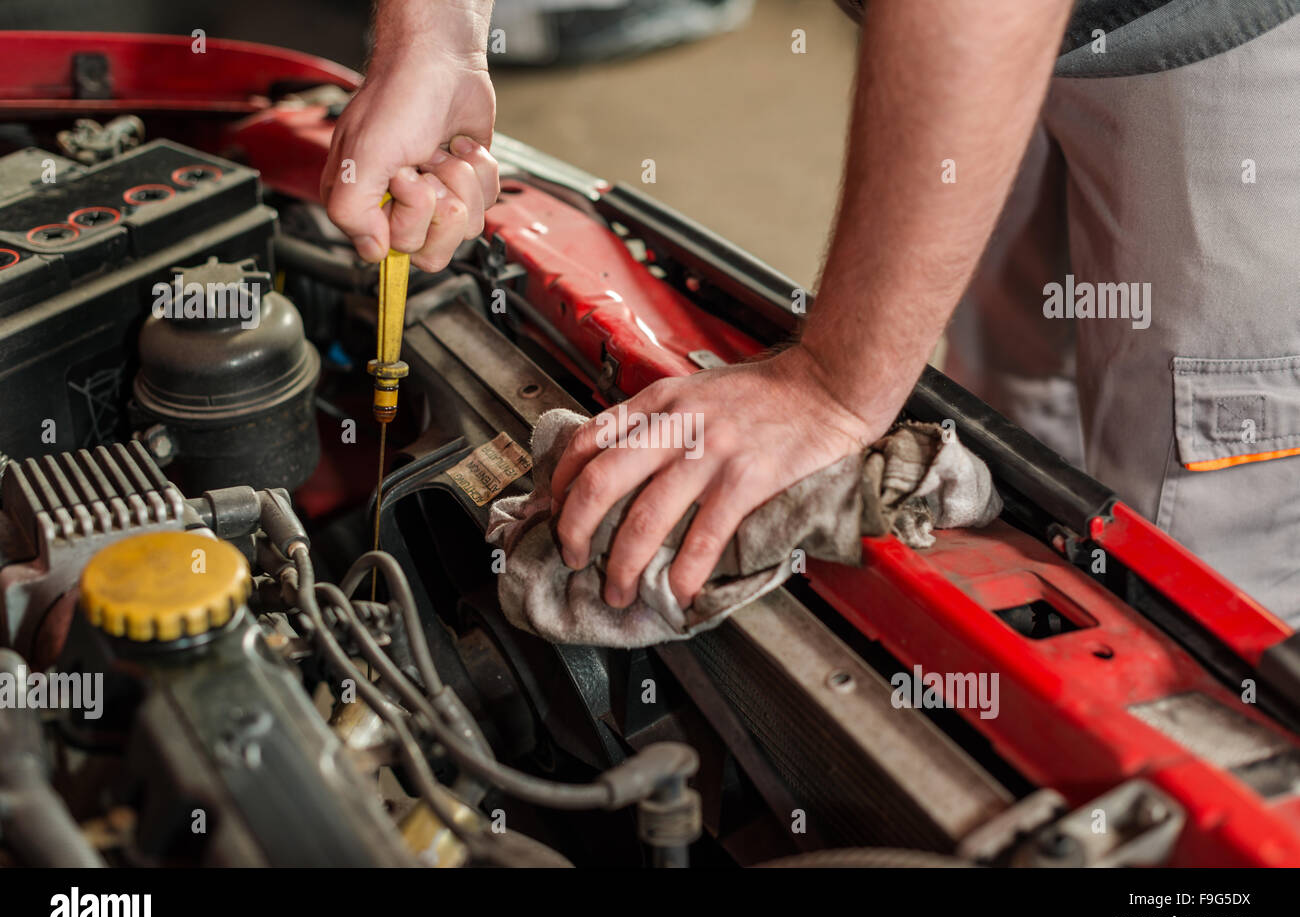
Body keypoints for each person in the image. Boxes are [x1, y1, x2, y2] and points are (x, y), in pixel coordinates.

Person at [324, 0, 1300, 628]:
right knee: (1013, 402)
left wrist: (833, 385)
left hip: (1217, 34)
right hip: (953, 31)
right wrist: (438, 38)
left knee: (1201, 548)